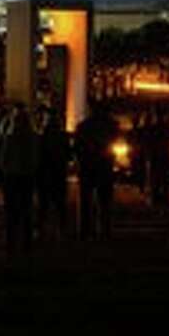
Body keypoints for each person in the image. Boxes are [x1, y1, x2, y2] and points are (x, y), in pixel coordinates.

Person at [0, 103, 39, 255]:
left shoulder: (9, 138)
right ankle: (26, 242)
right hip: (26, 177)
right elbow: (36, 158)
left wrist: (7, 170)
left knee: (11, 211)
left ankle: (11, 241)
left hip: (12, 177)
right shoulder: (33, 138)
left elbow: (3, 159)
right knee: (26, 209)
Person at [75, 102, 117, 241]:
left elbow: (77, 147)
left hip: (87, 166)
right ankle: (104, 230)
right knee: (104, 201)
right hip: (104, 166)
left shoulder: (83, 127)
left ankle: (85, 230)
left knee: (85, 201)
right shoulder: (110, 125)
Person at [36, 108, 69, 240]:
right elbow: (68, 155)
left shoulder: (41, 137)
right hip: (58, 173)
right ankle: (61, 229)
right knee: (59, 203)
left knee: (43, 204)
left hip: (44, 173)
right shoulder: (63, 137)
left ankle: (41, 229)